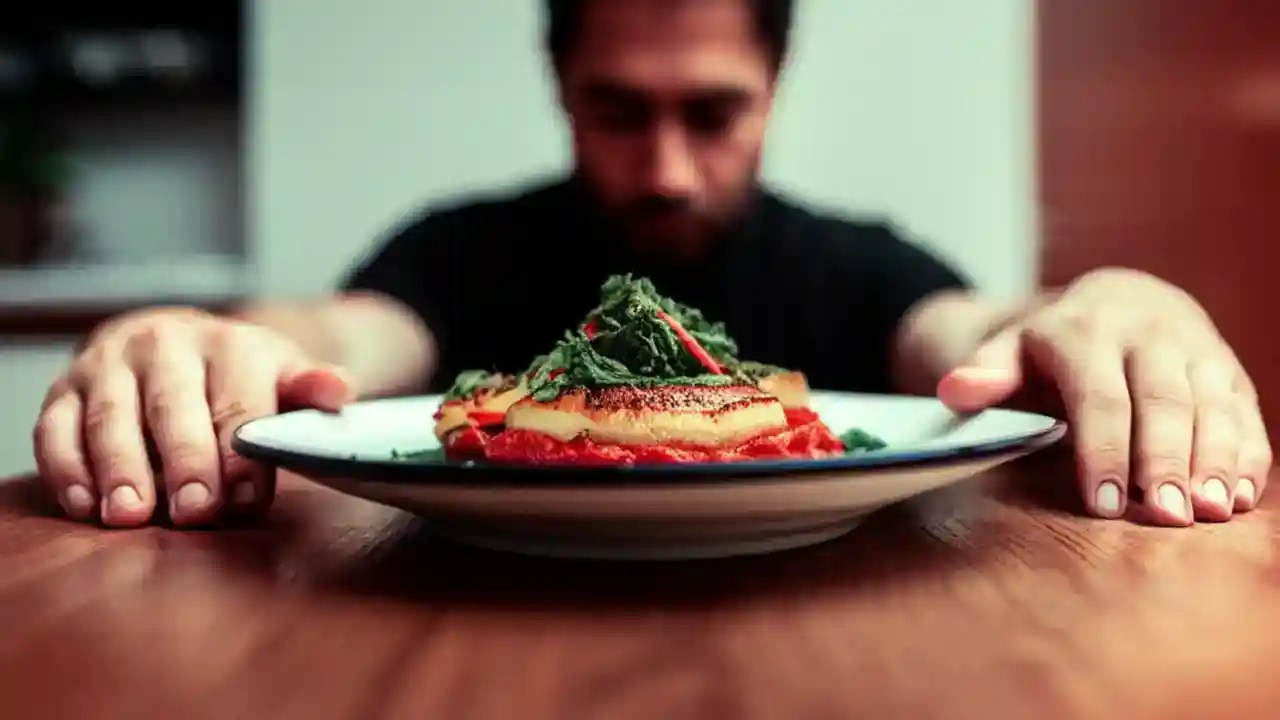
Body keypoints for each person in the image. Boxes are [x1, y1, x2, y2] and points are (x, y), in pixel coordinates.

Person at [31, 0, 1269, 530]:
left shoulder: (856, 264)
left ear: (771, 95)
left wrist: (1098, 306)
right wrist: (216, 337)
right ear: (560, 93)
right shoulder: (458, 251)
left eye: (711, 113)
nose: (667, 169)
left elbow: (965, 341)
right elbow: (341, 342)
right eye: (620, 111)